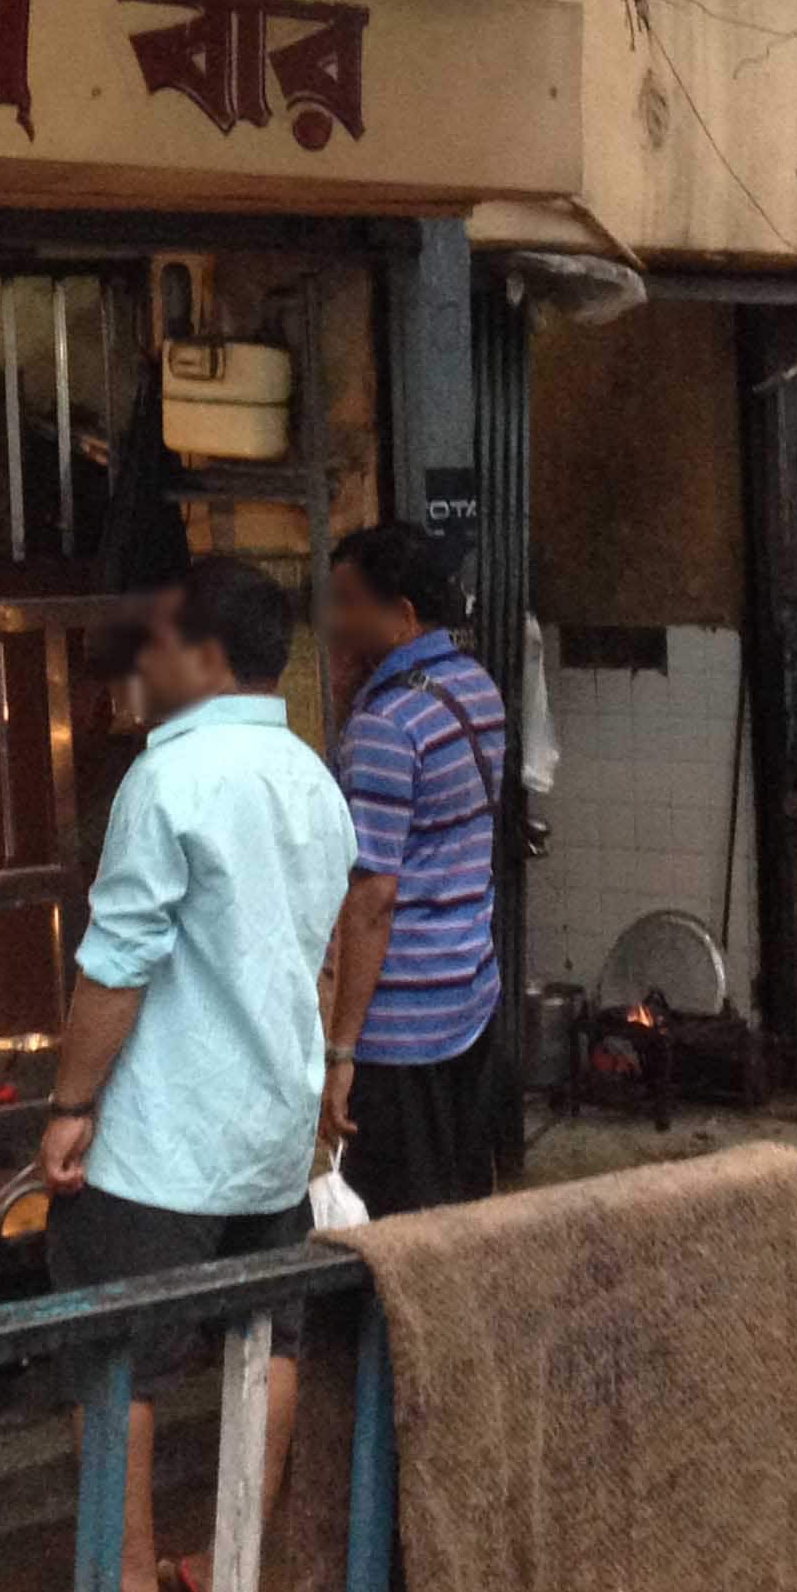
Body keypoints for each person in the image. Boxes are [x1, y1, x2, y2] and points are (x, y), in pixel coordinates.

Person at [0, 557, 355, 1592]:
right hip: (271, 1136)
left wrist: (68, 1104)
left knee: (115, 1359)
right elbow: (326, 958)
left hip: (162, 1142)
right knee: (267, 1342)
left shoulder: (170, 781)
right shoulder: (311, 781)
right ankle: (232, 1576)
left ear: (200, 655)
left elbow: (117, 967)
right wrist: (321, 1090)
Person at [324, 521, 508, 1219]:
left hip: (401, 1022)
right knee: (459, 1205)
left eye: (348, 603)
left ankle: (393, 1335)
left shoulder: (385, 724)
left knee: (393, 1224)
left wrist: (342, 1050)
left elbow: (373, 896)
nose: (336, 621)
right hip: (470, 990)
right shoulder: (474, 685)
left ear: (401, 616)